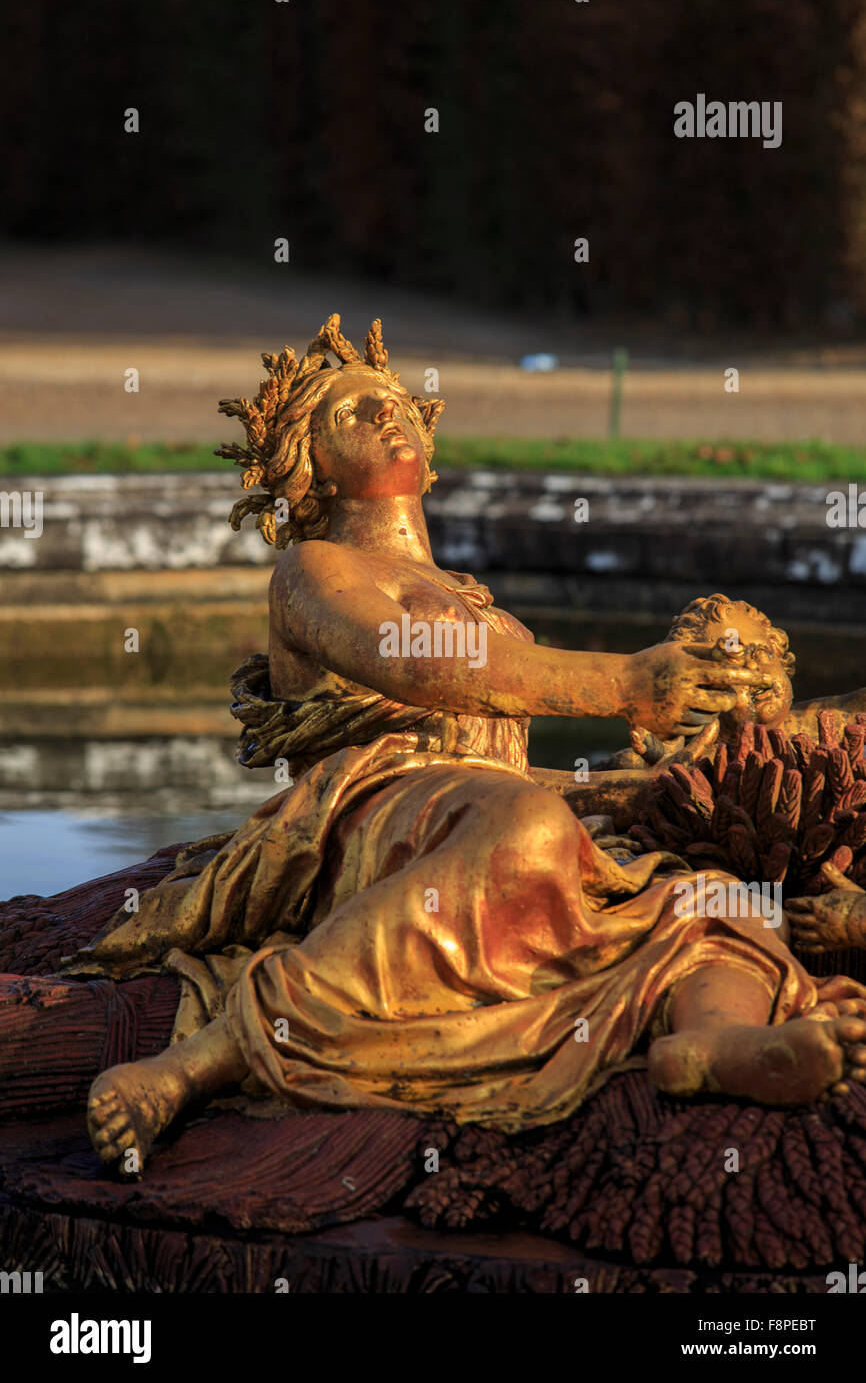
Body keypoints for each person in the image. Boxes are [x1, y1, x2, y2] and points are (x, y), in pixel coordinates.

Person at [63, 316, 866, 1175]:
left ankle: (714, 1044)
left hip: (485, 811)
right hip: (373, 814)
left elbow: (505, 767)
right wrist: (620, 687)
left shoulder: (488, 611)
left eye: (393, 400)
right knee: (522, 825)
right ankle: (190, 1069)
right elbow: (419, 666)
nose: (385, 413)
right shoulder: (317, 573)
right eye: (351, 414)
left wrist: (627, 794)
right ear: (308, 469)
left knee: (699, 895)